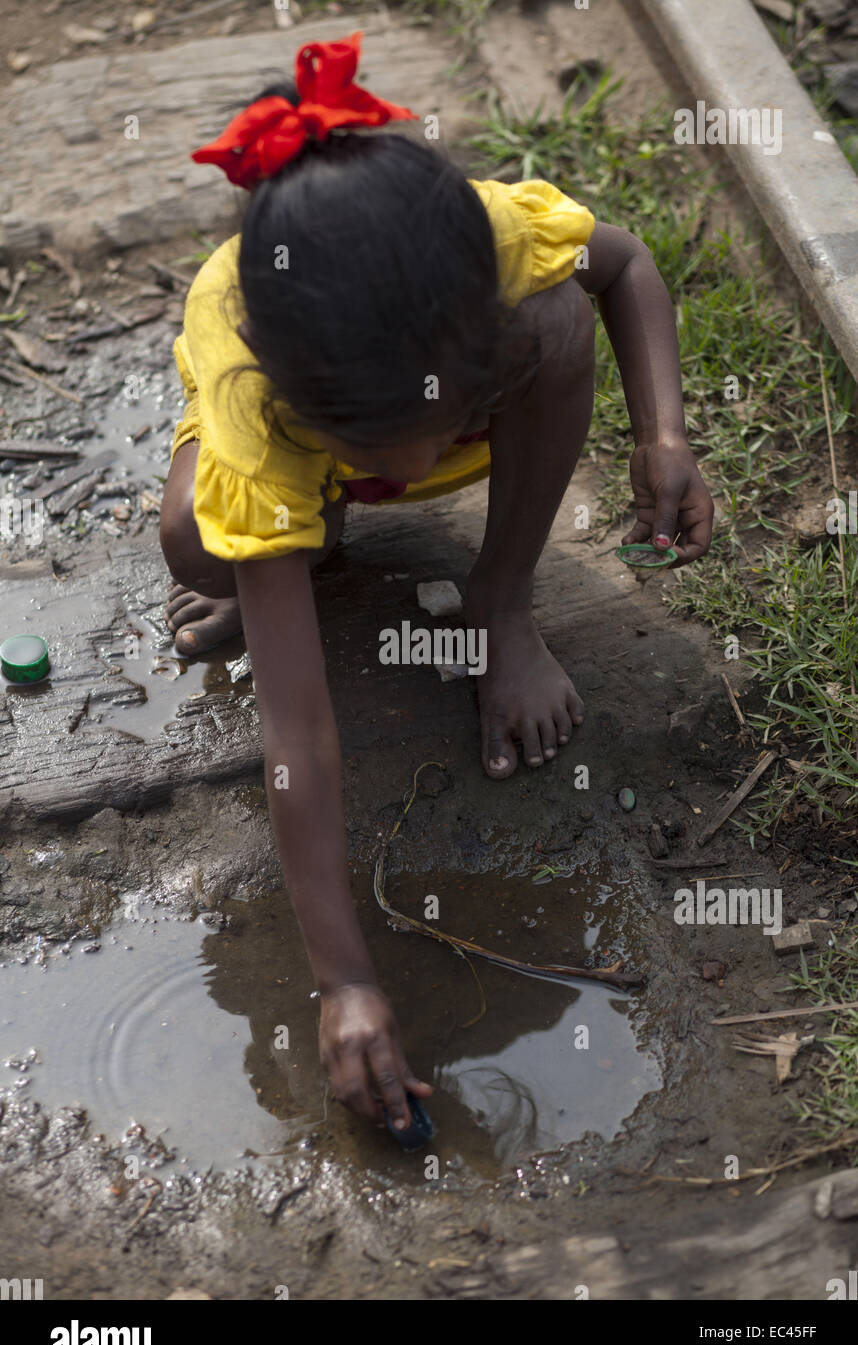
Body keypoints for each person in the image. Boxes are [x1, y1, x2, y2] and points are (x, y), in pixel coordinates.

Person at [160, 31, 714, 1134]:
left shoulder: (486, 245)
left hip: (465, 406)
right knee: (191, 538)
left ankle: (499, 605)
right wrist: (343, 979)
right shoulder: (255, 385)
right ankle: (283, 553)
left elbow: (626, 266)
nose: (405, 473)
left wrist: (662, 434)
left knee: (555, 319)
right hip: (293, 476)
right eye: (382, 443)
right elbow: (298, 739)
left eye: (412, 430)